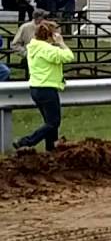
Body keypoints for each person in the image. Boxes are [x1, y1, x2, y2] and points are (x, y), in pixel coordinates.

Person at [14, 22, 73, 151]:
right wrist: (61, 43)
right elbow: (69, 56)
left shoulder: (33, 47)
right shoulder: (48, 50)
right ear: (51, 36)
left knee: (50, 123)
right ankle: (26, 141)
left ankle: (51, 148)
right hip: (47, 89)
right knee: (54, 122)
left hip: (36, 88)